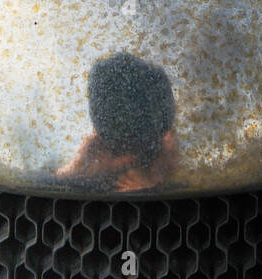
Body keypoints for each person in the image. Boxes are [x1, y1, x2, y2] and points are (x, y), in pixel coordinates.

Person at [56, 52, 177, 191]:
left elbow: (170, 174)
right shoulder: (96, 146)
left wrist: (149, 184)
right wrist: (93, 171)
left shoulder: (164, 144)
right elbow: (64, 177)